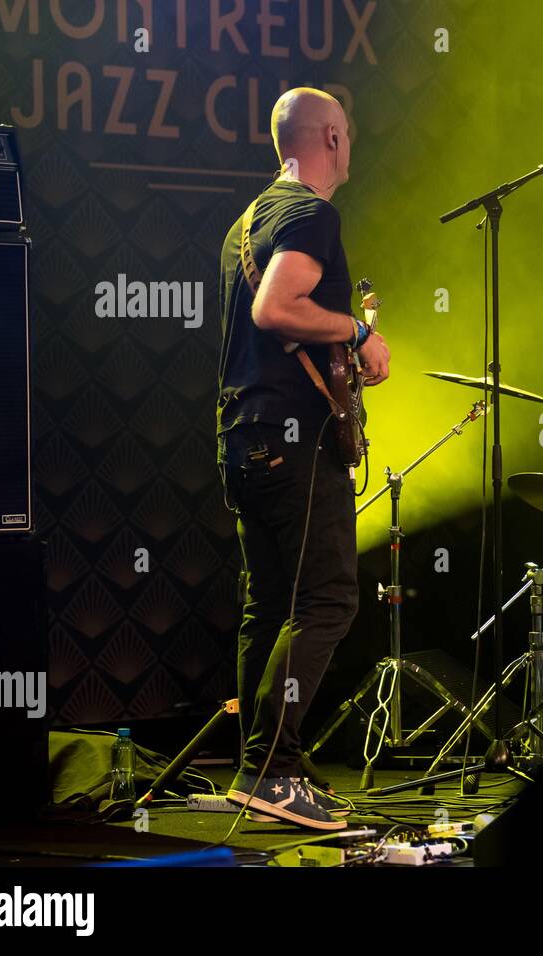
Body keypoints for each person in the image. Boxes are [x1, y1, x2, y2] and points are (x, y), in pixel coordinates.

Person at [216, 88, 390, 830]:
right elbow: (277, 309)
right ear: (330, 135)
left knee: (270, 607)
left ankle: (258, 769)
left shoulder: (246, 223)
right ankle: (275, 771)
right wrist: (357, 332)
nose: (350, 145)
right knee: (326, 601)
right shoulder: (312, 213)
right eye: (347, 133)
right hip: (291, 440)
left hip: (244, 437)